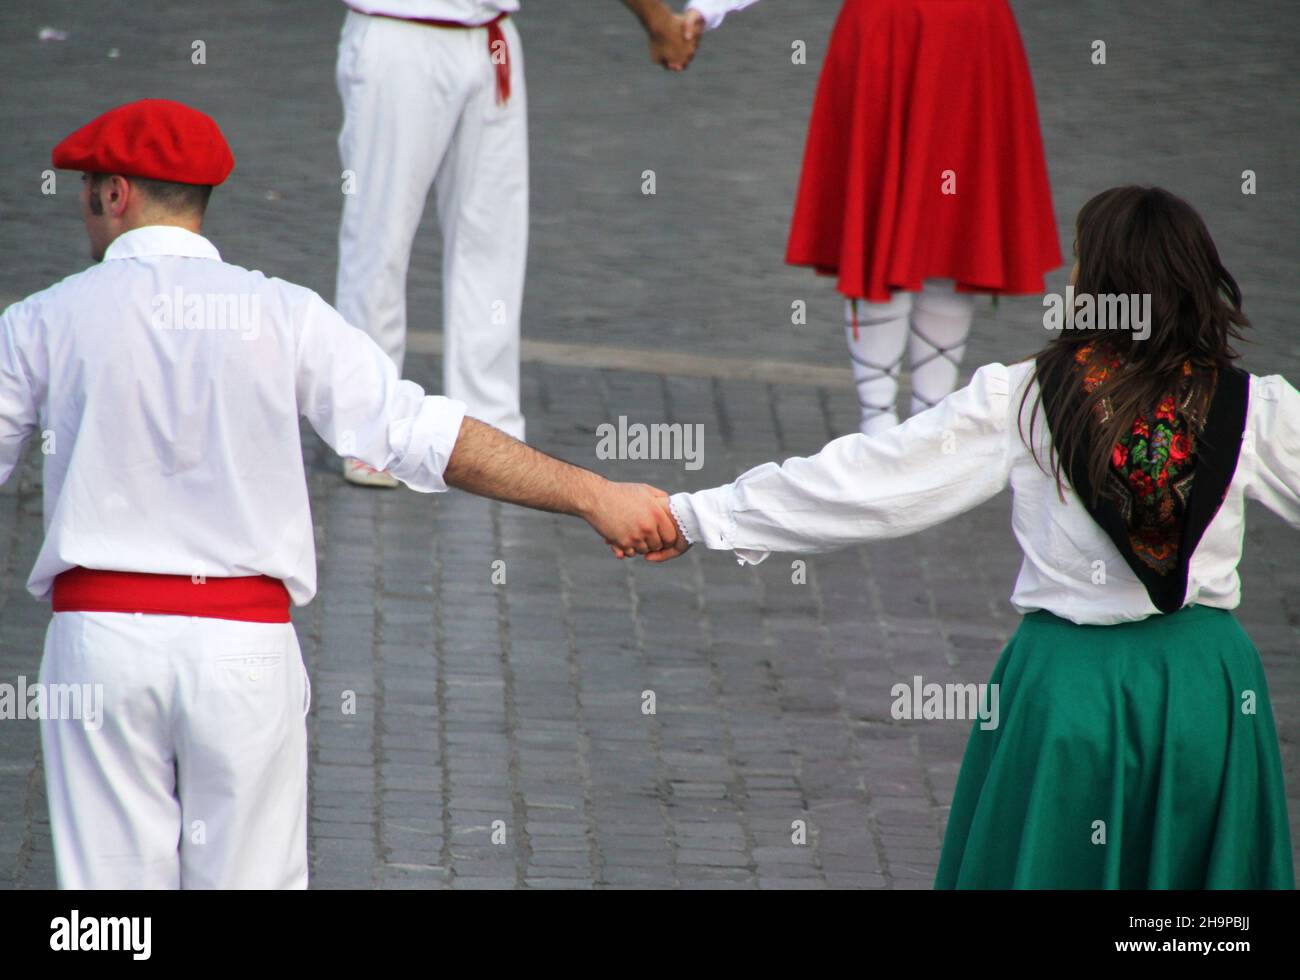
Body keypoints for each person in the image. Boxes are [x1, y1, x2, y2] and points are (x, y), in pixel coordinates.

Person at [0, 99, 678, 889]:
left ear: (114, 194)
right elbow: (426, 437)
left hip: (101, 650)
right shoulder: (286, 315)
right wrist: (593, 493)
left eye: (86, 188)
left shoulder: (40, 321)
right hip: (245, 656)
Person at [647, 187, 1297, 888]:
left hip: (1066, 690)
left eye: (1078, 260)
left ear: (1101, 283)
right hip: (1208, 692)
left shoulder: (1024, 397)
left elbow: (870, 483)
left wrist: (696, 515)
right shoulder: (1256, 408)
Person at [334, 0, 699, 487]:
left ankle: (488, 421)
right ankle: (369, 430)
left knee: (492, 239)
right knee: (379, 237)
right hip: (400, 34)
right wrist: (658, 22)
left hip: (492, 42)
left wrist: (657, 20)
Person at [682, 0, 1062, 434]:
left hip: (965, 35)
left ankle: (929, 423)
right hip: (893, 33)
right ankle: (877, 427)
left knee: (950, 234)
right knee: (883, 222)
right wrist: (706, 8)